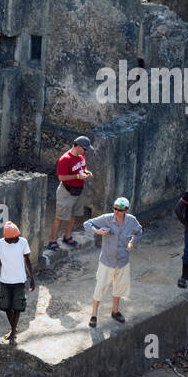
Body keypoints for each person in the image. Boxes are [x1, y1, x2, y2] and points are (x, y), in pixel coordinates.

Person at [84, 197, 143, 327]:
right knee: (100, 287)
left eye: (119, 210)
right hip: (107, 261)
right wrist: (97, 231)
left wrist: (132, 242)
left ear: (126, 211)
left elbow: (139, 232)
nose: (116, 212)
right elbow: (87, 224)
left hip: (123, 261)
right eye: (115, 208)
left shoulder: (131, 221)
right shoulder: (107, 218)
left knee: (119, 288)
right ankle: (94, 314)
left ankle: (115, 311)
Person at [0, 220, 35, 346]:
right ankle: (14, 328)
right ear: (7, 238)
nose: (16, 240)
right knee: (5, 306)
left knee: (18, 307)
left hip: (20, 280)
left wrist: (32, 278)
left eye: (17, 238)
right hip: (5, 280)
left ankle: (13, 332)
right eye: (13, 239)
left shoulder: (22, 242)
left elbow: (27, 260)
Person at [47, 136, 93, 251]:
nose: (86, 151)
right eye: (85, 149)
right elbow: (61, 177)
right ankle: (52, 241)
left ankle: (68, 237)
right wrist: (78, 176)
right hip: (66, 192)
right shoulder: (65, 159)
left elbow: (82, 167)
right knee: (59, 217)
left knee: (74, 215)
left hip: (78, 191)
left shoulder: (81, 156)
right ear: (78, 146)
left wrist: (86, 172)